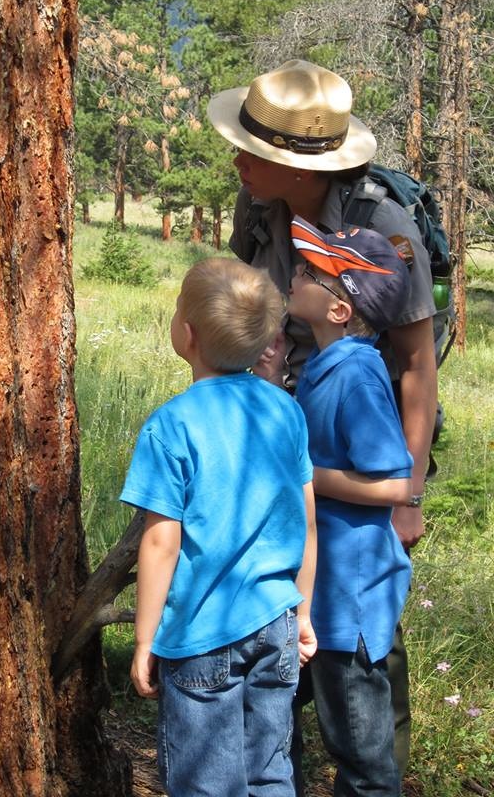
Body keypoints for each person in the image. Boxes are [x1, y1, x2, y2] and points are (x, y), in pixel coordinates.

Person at [207, 59, 437, 773]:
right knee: (279, 595)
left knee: (360, 621)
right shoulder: (259, 205)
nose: (239, 160)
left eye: (255, 152)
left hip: (360, 426)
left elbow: (417, 365)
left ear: (300, 169)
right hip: (285, 425)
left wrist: (410, 494)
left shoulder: (381, 227)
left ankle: (375, 773)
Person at [120, 257, 317, 797]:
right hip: (276, 626)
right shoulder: (286, 411)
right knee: (271, 772)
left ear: (186, 334)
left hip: (203, 638)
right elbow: (307, 523)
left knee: (208, 783)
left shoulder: (171, 426)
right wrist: (302, 611)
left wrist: (145, 639)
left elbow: (161, 541)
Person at [287, 217, 414, 796]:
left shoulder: (357, 375)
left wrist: (309, 477)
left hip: (350, 606)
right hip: (318, 594)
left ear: (340, 310)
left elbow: (392, 485)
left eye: (313, 271)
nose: (296, 272)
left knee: (363, 762)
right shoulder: (321, 365)